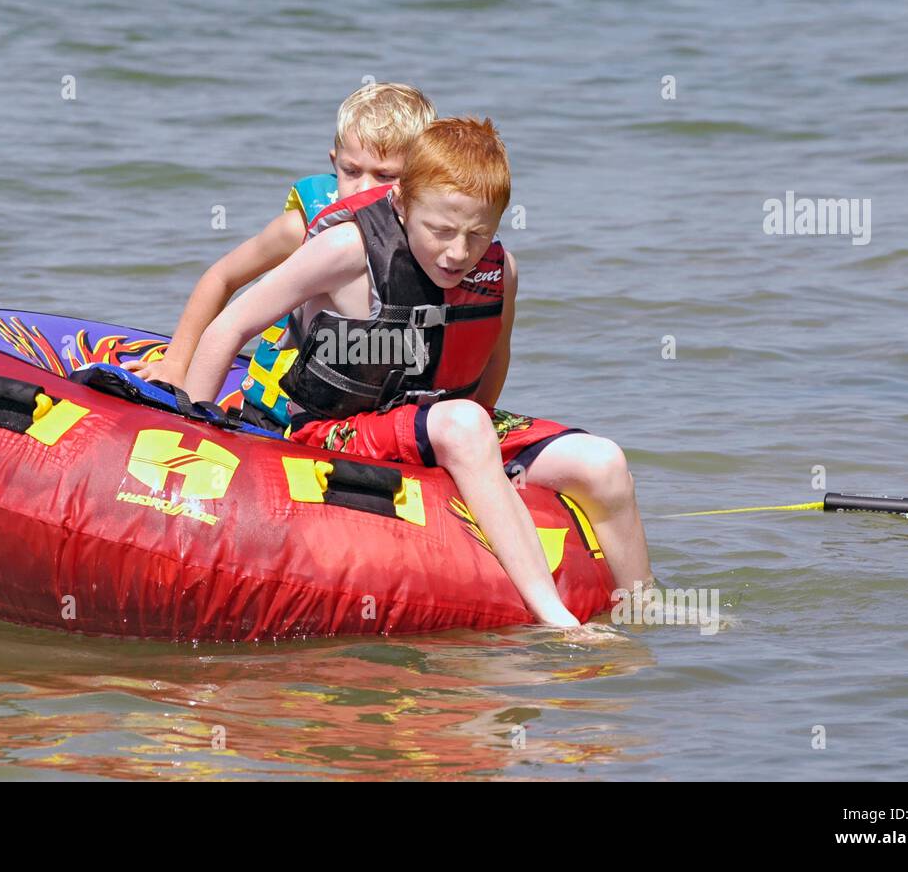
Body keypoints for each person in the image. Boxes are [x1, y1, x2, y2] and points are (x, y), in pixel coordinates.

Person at [183, 117, 652, 627]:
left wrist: (478, 461)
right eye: (441, 231)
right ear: (403, 203)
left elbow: (493, 362)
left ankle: (646, 609)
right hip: (334, 428)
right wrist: (190, 437)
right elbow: (229, 328)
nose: (458, 253)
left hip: (429, 425)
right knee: (464, 425)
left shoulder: (500, 269)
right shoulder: (348, 250)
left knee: (604, 462)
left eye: (478, 234)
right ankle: (553, 617)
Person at [124, 81, 436, 434]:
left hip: (362, 424)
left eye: (384, 176)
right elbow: (222, 277)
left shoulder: (437, 242)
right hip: (274, 413)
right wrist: (176, 364)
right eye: (351, 171)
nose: (363, 189)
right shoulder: (301, 227)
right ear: (335, 163)